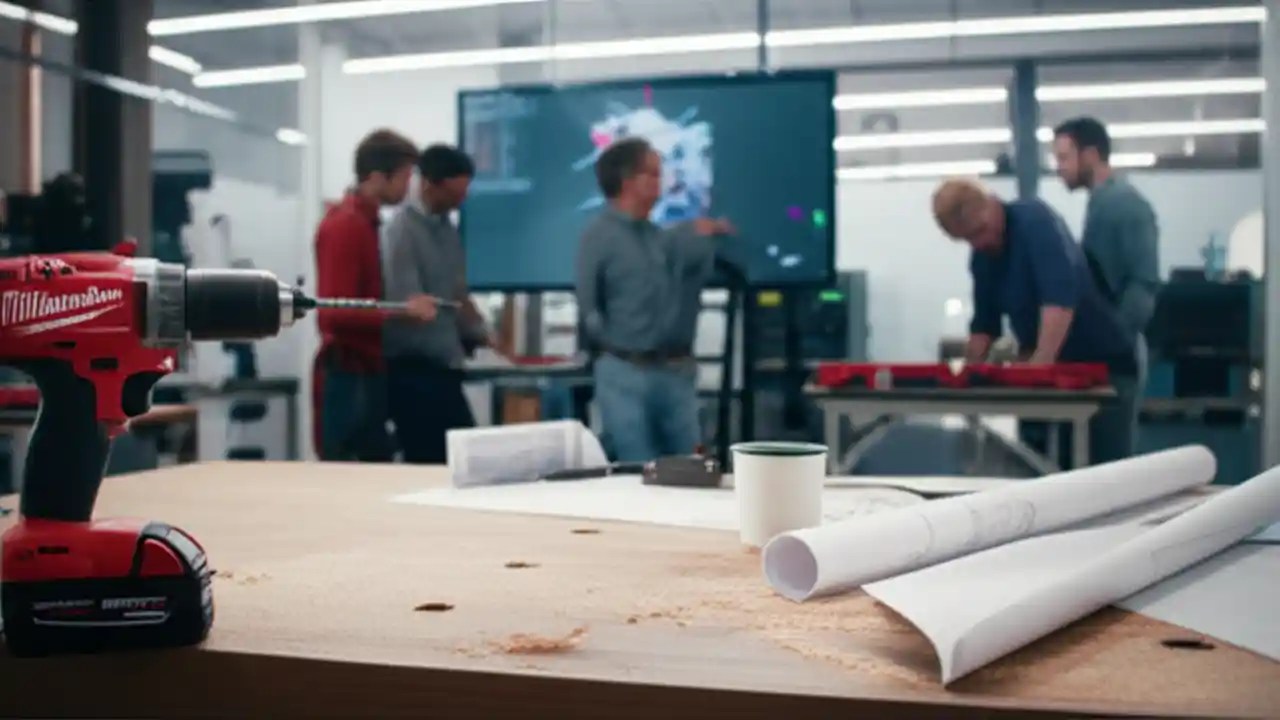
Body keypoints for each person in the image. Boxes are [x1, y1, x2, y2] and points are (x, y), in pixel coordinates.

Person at [931, 177, 1139, 465]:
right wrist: (968, 378)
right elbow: (984, 327)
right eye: (967, 239)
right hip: (1052, 373)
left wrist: (1038, 368)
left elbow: (1060, 300)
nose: (980, 243)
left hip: (1104, 369)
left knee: (1106, 473)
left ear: (992, 205)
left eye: (980, 231)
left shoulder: (1035, 222)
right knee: (1042, 471)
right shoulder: (983, 256)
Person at [576, 137, 734, 463]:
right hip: (624, 374)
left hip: (675, 374)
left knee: (689, 472)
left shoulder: (658, 237)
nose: (662, 182)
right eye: (653, 174)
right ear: (628, 181)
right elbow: (590, 308)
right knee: (636, 474)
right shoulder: (598, 237)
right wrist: (621, 349)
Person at [313, 129, 435, 461]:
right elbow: (332, 314)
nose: (410, 186)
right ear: (379, 177)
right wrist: (402, 311)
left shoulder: (368, 223)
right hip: (350, 378)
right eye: (406, 176)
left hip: (366, 374)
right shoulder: (347, 226)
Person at [383, 143, 504, 464]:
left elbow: (456, 292)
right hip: (413, 372)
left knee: (465, 459)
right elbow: (406, 304)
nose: (460, 201)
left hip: (445, 368)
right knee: (431, 464)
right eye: (453, 193)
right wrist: (429, 311)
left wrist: (482, 331)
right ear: (428, 184)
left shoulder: (447, 229)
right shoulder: (401, 232)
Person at [1053, 116, 1160, 445]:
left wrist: (1113, 343)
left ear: (1091, 154)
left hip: (1116, 362)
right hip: (1103, 359)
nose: (1059, 168)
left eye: (1063, 157)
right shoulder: (1101, 204)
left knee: (1110, 467)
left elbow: (1142, 285)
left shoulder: (1125, 205)